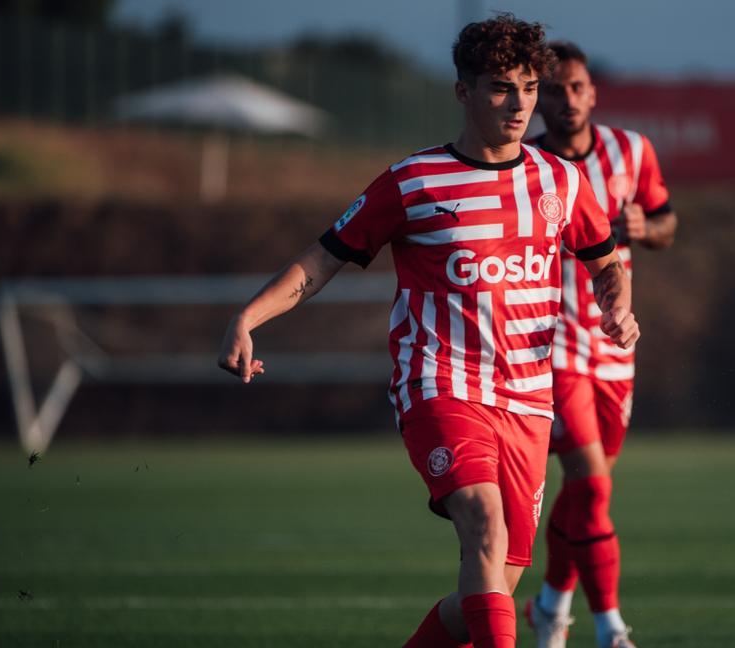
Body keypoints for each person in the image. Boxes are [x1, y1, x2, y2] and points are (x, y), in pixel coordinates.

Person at [217, 15, 639, 648]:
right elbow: (324, 259)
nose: (520, 104)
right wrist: (247, 317)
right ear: (463, 91)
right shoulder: (414, 181)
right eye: (501, 88)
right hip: (441, 384)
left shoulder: (560, 180)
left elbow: (607, 264)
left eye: (529, 88)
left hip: (528, 399)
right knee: (484, 526)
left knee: (495, 582)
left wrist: (617, 307)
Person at [522, 41, 677, 648]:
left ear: (593, 93)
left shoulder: (632, 151)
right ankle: (611, 628)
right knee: (589, 482)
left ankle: (550, 605)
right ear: (539, 100)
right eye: (554, 89)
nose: (567, 98)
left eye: (576, 87)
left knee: (588, 492)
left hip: (615, 343)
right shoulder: (527, 166)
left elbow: (667, 223)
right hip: (553, 344)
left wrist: (647, 228)